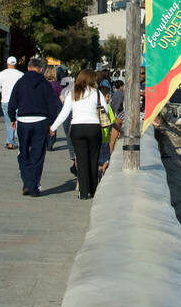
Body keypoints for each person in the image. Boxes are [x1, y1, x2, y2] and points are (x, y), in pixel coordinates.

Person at [50, 69, 109, 200]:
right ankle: (93, 190)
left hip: (77, 128)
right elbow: (104, 109)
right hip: (94, 127)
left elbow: (64, 113)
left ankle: (83, 192)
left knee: (81, 161)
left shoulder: (73, 93)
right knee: (93, 160)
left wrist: (53, 127)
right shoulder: (97, 93)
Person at [7, 56, 60, 197]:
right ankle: (33, 186)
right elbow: (52, 106)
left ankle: (27, 182)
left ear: (28, 68)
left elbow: (13, 102)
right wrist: (52, 124)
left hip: (23, 121)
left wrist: (12, 117)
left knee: (23, 154)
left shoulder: (20, 82)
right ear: (41, 69)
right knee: (37, 155)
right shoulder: (45, 84)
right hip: (41, 122)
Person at [0, 56, 24, 150]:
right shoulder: (21, 74)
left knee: (9, 121)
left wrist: (3, 90)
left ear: (7, 63)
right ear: (16, 64)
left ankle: (10, 141)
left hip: (6, 100)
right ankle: (16, 138)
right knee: (18, 120)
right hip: (18, 101)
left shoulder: (1, 74)